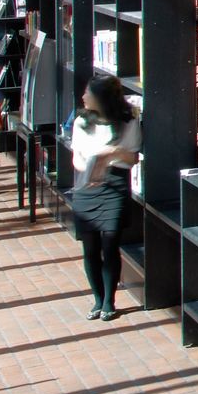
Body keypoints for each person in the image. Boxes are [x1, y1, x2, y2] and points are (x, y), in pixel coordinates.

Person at [65, 75, 140, 319]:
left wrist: (112, 153)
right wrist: (90, 169)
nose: (83, 97)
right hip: (87, 184)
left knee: (110, 244)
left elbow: (132, 158)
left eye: (88, 93)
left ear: (102, 98)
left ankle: (109, 301)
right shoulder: (81, 122)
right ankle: (97, 299)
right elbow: (76, 158)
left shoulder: (128, 120)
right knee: (90, 248)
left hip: (115, 183)